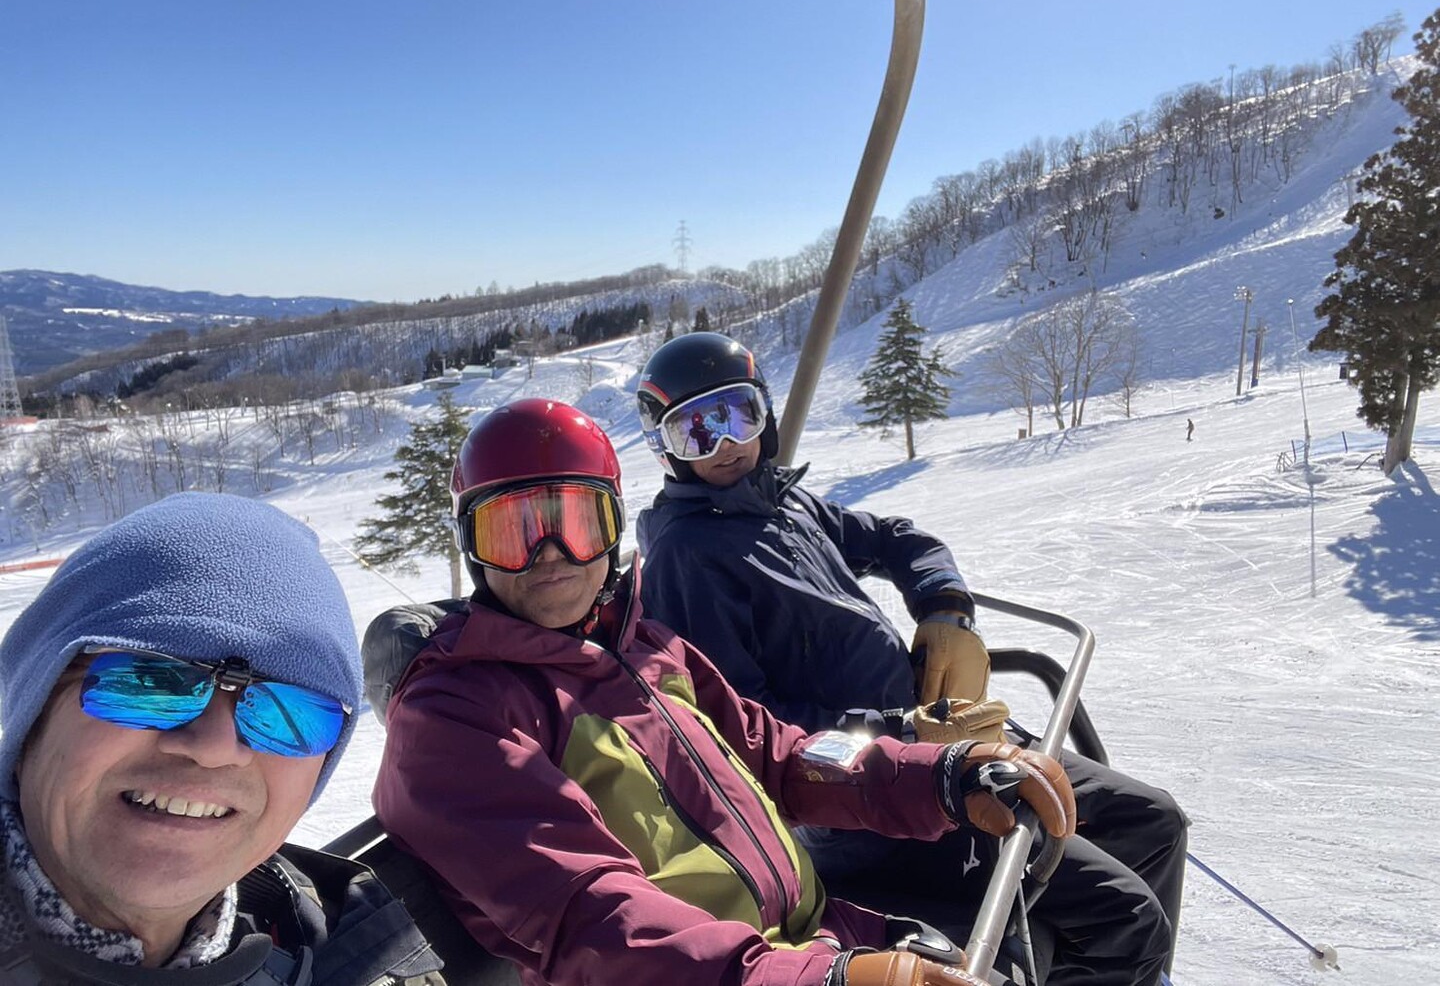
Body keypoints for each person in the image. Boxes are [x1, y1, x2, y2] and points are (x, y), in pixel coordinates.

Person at [368, 398, 1076, 986]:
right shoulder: (455, 715)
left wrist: (936, 775)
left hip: (819, 936)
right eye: (514, 530)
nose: (551, 556)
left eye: (578, 523)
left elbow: (788, 754)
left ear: (613, 529)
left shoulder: (645, 645)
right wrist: (817, 979)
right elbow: (592, 917)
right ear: (470, 544)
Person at [634, 333, 1190, 986]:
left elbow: (898, 539)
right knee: (1129, 919)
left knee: (1156, 821)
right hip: (877, 803)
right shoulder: (686, 558)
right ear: (665, 450)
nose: (726, 444)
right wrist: (904, 731)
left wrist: (943, 608)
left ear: (767, 414)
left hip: (948, 740)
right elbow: (748, 732)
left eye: (738, 415)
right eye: (696, 431)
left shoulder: (780, 501)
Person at [0, 492, 444, 985]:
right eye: (149, 683)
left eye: (286, 711)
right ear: (31, 723)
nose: (213, 748)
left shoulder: (368, 958)